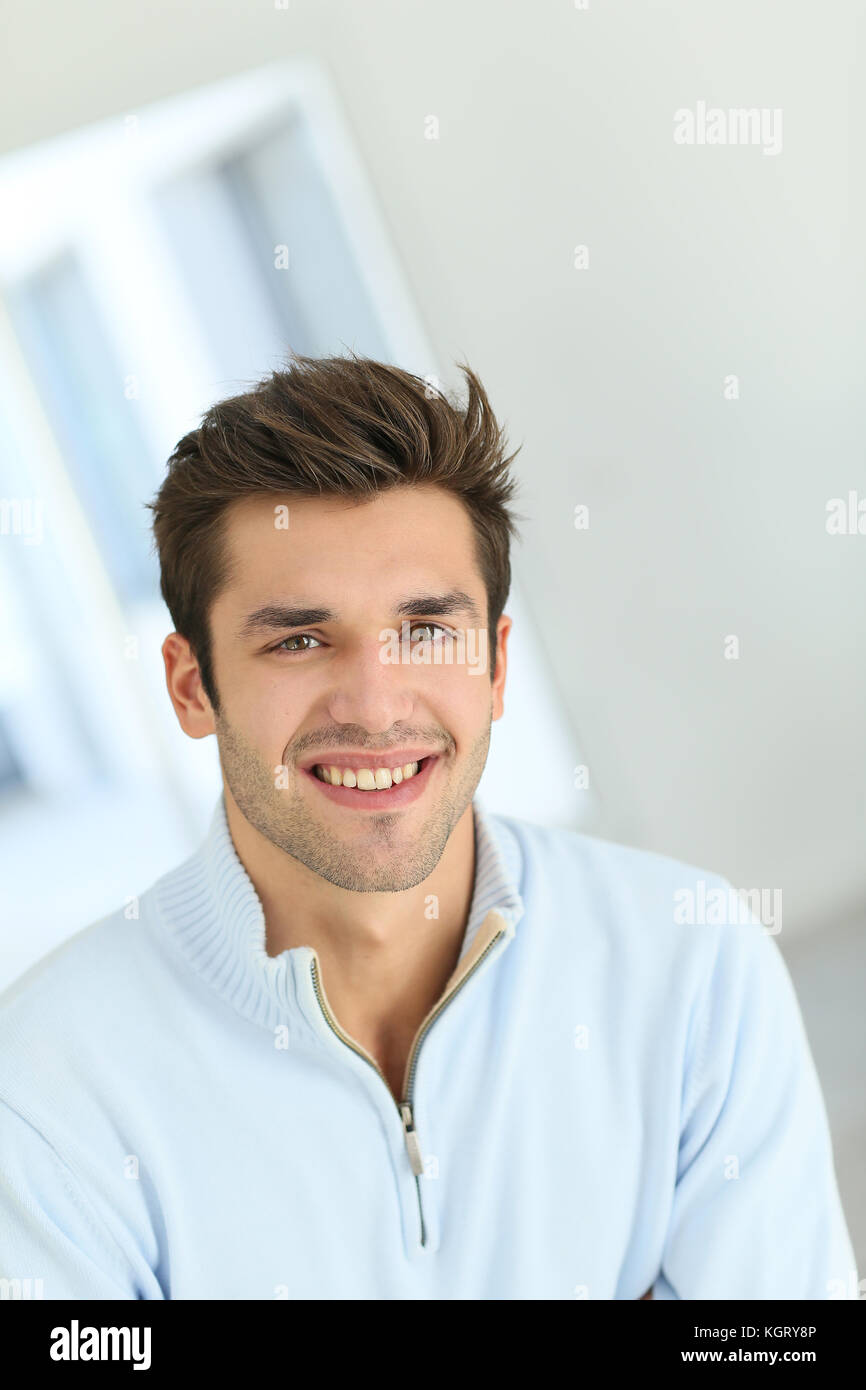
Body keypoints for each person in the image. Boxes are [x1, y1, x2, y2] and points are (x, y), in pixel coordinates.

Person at [0, 353, 856, 1299]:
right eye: (298, 639)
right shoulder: (41, 1095)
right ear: (192, 686)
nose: (373, 706)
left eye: (426, 628)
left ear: (495, 666)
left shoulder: (691, 964)